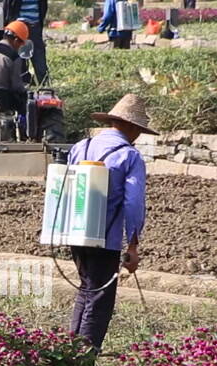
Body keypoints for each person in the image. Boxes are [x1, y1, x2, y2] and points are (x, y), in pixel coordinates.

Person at [67, 94, 157, 351]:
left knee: (86, 291)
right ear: (129, 126)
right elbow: (133, 202)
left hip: (75, 232)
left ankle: (69, 353)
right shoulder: (129, 156)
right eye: (138, 130)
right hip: (105, 238)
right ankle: (82, 360)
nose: (137, 136)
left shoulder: (81, 146)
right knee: (99, 300)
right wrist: (133, 245)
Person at [4, 0, 49, 85]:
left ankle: (41, 84)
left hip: (30, 24)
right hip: (21, 24)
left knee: (36, 55)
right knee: (21, 57)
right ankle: (24, 83)